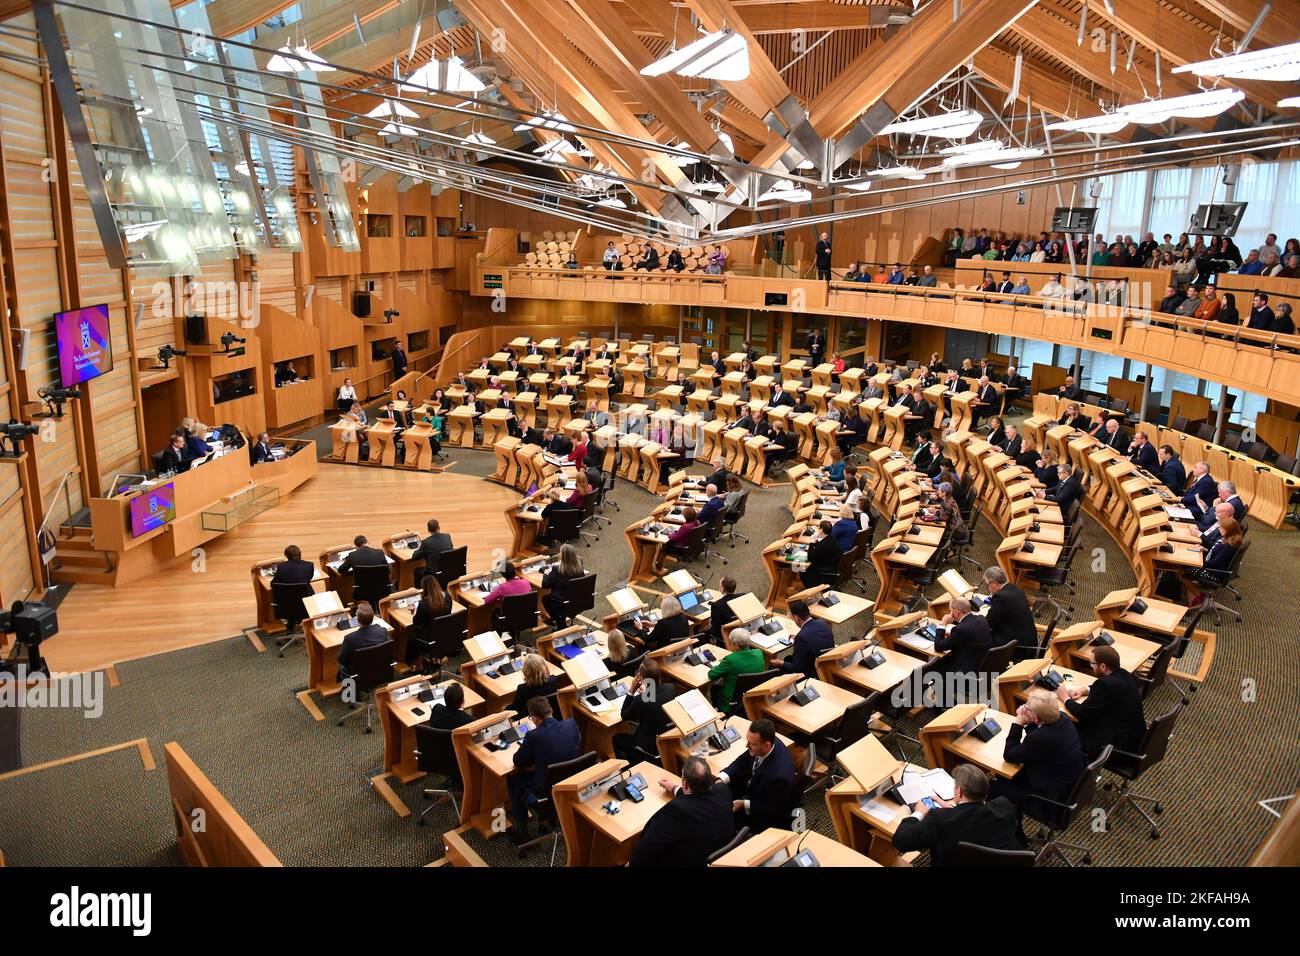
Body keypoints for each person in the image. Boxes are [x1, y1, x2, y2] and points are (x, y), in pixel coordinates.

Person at [891, 763, 1024, 866]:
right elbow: (973, 819)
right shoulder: (1004, 807)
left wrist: (918, 813)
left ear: (959, 792)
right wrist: (954, 809)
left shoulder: (939, 819)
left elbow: (901, 841)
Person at [992, 688, 1086, 827]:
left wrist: (1018, 722)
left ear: (1037, 718)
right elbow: (1038, 734)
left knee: (995, 787)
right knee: (1007, 776)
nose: (1024, 708)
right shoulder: (1063, 718)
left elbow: (1010, 755)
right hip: (1067, 787)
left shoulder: (1040, 738)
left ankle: (1017, 835)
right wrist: (1030, 721)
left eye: (1027, 707)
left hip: (1049, 798)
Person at [630, 756, 735, 867]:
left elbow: (644, 852)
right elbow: (700, 800)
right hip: (719, 857)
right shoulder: (723, 791)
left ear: (684, 784)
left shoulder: (675, 812)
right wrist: (675, 788)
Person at [508, 696, 581, 844]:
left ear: (534, 719)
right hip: (570, 785)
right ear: (551, 711)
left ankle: (522, 834)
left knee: (512, 779)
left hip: (545, 794)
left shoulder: (533, 736)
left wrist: (535, 764)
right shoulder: (571, 725)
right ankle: (551, 819)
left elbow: (517, 761)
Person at [1056, 644, 1145, 761]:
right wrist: (1085, 690)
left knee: (1063, 727)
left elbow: (1081, 714)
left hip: (1115, 748)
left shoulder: (1105, 685)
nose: (1091, 667)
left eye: (1092, 664)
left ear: (1102, 666)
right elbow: (1108, 688)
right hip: (1134, 740)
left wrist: (1065, 698)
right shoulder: (1125, 674)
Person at [718, 718, 795, 834]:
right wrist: (721, 778)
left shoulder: (779, 776)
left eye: (752, 744)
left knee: (720, 817)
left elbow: (772, 809)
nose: (746, 745)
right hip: (755, 787)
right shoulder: (767, 741)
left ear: (767, 746)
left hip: (762, 813)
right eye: (748, 741)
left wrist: (744, 804)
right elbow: (742, 760)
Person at [613, 659, 678, 761]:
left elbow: (624, 715)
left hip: (647, 745)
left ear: (641, 678)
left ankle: (629, 768)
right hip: (666, 738)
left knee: (617, 738)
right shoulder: (671, 688)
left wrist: (631, 691)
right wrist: (646, 692)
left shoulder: (640, 700)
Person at [929, 596, 992, 700]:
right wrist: (954, 638)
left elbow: (938, 647)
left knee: (932, 666)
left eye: (951, 611)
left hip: (965, 673)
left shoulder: (960, 630)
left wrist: (943, 624)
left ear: (956, 612)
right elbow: (968, 636)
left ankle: (942, 701)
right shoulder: (981, 619)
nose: (950, 614)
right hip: (981, 668)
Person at [983, 566, 1037, 661]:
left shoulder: (1000, 597)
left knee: (979, 638)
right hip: (1029, 642)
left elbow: (989, 623)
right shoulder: (1015, 588)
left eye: (988, 585)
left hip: (1017, 648)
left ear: (994, 583)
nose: (989, 589)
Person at [707, 626, 766, 713]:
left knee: (714, 688)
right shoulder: (759, 653)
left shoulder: (730, 660)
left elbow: (711, 675)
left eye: (730, 643)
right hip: (753, 695)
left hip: (732, 701)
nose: (729, 644)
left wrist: (717, 665)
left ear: (736, 645)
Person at [336, 602, 389, 682]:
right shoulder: (382, 631)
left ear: (357, 620)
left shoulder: (350, 638)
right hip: (379, 666)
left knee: (343, 667)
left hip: (358, 671)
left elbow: (341, 660)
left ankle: (351, 693)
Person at [781, 599, 833, 677]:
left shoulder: (801, 637)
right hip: (826, 664)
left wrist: (781, 663)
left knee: (778, 666)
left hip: (811, 672)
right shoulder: (823, 623)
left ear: (796, 618)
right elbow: (815, 638)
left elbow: (799, 668)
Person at [408, 575, 451, 665]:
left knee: (412, 635)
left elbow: (416, 623)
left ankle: (414, 663)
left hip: (430, 637)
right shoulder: (447, 597)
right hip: (444, 634)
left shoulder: (424, 603)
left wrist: (415, 612)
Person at [541, 544, 586, 625]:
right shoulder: (580, 568)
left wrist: (546, 574)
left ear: (563, 556)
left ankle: (559, 622)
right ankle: (562, 619)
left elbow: (545, 584)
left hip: (561, 603)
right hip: (577, 601)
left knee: (545, 599)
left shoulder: (557, 570)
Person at [511, 653, 560, 718]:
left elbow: (515, 710)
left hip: (532, 720)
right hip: (555, 716)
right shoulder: (554, 680)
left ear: (526, 671)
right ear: (545, 667)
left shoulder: (523, 689)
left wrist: (505, 708)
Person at [800, 520, 844, 589]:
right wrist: (816, 542)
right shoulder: (831, 539)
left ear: (821, 530)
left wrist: (811, 543)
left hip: (823, 569)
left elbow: (810, 558)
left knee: (800, 568)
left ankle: (810, 588)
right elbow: (822, 548)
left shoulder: (823, 545)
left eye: (819, 528)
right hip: (832, 566)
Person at [413, 518, 454, 582]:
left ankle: (422, 591)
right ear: (439, 527)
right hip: (448, 571)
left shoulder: (426, 542)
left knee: (417, 571)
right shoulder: (447, 536)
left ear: (428, 530)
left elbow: (415, 556)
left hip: (434, 574)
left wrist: (417, 549)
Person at [708, 576, 741, 642]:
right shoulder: (741, 596)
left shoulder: (716, 605)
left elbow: (715, 628)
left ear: (722, 588)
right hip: (740, 630)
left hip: (723, 636)